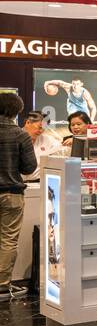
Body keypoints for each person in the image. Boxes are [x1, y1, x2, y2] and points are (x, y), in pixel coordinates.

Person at [0, 93, 37, 298]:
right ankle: (2, 284)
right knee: (8, 240)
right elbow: (30, 167)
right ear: (15, 111)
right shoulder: (20, 134)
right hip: (11, 193)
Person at [22, 113, 62, 179]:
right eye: (40, 127)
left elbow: (62, 148)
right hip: (16, 184)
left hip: (38, 182)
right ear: (28, 122)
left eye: (44, 128)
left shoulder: (47, 139)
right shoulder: (13, 137)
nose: (41, 131)